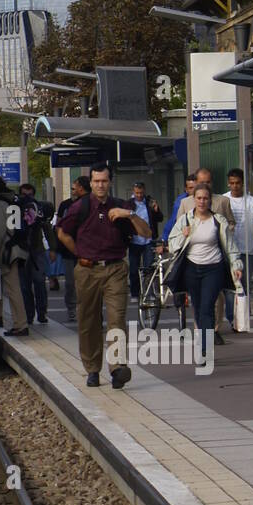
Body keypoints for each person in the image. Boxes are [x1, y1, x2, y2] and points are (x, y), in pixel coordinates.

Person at [56, 164, 150, 388]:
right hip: (87, 270)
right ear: (91, 183)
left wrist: (130, 214)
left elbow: (146, 233)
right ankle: (92, 368)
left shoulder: (121, 206)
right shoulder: (81, 207)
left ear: (110, 182)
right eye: (96, 181)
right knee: (88, 321)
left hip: (115, 268)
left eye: (104, 181)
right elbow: (61, 232)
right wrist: (79, 253)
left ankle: (117, 368)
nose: (100, 185)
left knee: (117, 319)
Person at [168, 185, 242, 349]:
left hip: (213, 268)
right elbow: (172, 245)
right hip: (191, 268)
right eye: (199, 198)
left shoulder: (218, 221)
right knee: (198, 307)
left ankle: (204, 349)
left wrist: (236, 265)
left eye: (205, 198)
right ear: (194, 199)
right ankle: (203, 340)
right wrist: (183, 235)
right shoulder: (185, 220)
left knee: (208, 306)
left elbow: (230, 245)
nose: (202, 201)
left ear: (210, 200)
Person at [223, 168, 253, 331]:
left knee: (244, 285)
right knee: (230, 286)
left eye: (238, 183)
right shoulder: (224, 199)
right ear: (229, 183)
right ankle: (231, 317)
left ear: (242, 183)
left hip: (247, 249)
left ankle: (242, 318)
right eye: (232, 183)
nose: (235, 186)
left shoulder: (251, 201)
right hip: (229, 249)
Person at [0, 175, 30, 337]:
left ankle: (20, 324)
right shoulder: (12, 200)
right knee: (5, 285)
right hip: (16, 248)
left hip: (7, 251)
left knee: (12, 288)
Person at [16, 183, 55, 325]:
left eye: (30, 195)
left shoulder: (39, 208)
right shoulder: (15, 208)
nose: (26, 198)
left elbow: (47, 229)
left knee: (39, 282)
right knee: (24, 286)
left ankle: (42, 312)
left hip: (37, 250)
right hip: (21, 250)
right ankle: (29, 314)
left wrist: (52, 249)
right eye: (24, 194)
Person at [53, 175, 90, 322]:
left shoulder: (89, 203)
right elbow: (59, 225)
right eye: (72, 189)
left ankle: (85, 309)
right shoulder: (65, 205)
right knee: (70, 282)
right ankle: (71, 308)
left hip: (86, 248)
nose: (73, 191)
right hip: (69, 249)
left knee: (86, 282)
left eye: (74, 188)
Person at [128, 181, 162, 301]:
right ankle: (135, 293)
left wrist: (156, 210)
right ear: (133, 192)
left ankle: (150, 292)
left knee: (149, 268)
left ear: (144, 191)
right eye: (137, 193)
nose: (139, 195)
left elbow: (160, 218)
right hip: (135, 240)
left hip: (148, 240)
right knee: (134, 269)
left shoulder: (149, 203)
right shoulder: (129, 204)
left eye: (141, 192)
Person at [162, 175, 196, 243]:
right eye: (191, 188)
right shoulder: (181, 201)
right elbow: (173, 220)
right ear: (186, 189)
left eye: (196, 187)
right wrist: (164, 238)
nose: (194, 190)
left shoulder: (204, 200)